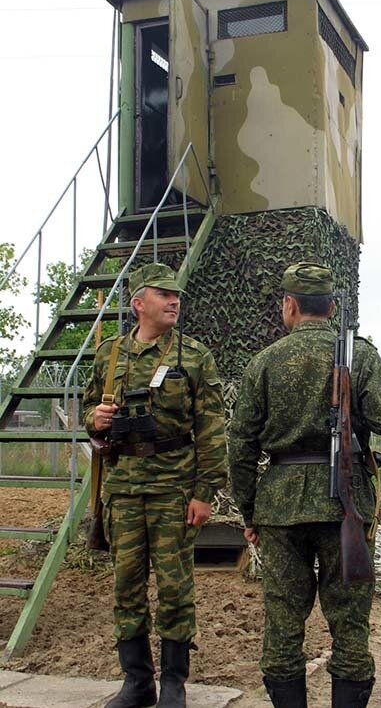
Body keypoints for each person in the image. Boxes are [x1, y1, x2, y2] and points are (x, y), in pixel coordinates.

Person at [229, 262, 381, 708]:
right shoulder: (358, 354)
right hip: (342, 503)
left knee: (283, 621)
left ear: (289, 305)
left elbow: (241, 446)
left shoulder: (263, 362)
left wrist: (250, 512)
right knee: (349, 622)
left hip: (279, 507)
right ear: (330, 306)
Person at [83, 263, 227, 708]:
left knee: (174, 587)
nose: (173, 301)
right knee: (126, 586)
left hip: (173, 489)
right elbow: (88, 407)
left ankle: (173, 686)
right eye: (164, 295)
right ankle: (137, 682)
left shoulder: (193, 356)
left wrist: (205, 492)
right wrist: (95, 418)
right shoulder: (109, 354)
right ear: (138, 303)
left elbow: (212, 428)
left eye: (176, 296)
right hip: (123, 488)